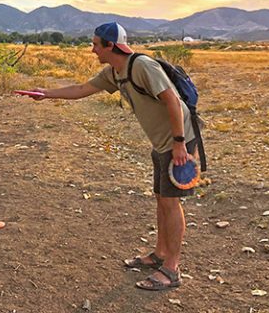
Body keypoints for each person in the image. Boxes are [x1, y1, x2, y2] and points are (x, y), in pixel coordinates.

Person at [30, 22, 199, 291]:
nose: (92, 49)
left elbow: (173, 101)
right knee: (161, 199)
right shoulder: (116, 72)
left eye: (96, 44)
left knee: (171, 203)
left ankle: (172, 269)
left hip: (178, 141)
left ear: (111, 45)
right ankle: (160, 254)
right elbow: (82, 89)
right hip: (162, 142)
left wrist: (179, 143)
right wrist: (45, 94)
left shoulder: (142, 66)